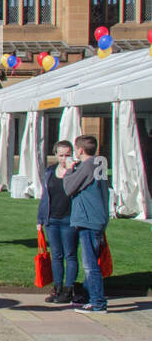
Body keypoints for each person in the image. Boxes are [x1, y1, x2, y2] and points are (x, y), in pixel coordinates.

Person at [64, 134, 110, 313]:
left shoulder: (87, 165)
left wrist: (69, 170)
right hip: (98, 218)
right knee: (92, 262)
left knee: (90, 265)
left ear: (80, 150)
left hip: (88, 219)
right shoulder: (100, 162)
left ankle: (98, 302)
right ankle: (87, 296)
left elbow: (69, 188)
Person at [36, 140, 82, 306]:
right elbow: (45, 196)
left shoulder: (77, 171)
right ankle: (57, 287)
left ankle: (69, 289)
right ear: (55, 155)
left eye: (68, 155)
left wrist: (71, 170)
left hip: (69, 219)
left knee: (70, 254)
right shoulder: (50, 171)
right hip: (52, 219)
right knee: (56, 255)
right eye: (61, 155)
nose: (64, 158)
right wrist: (40, 218)